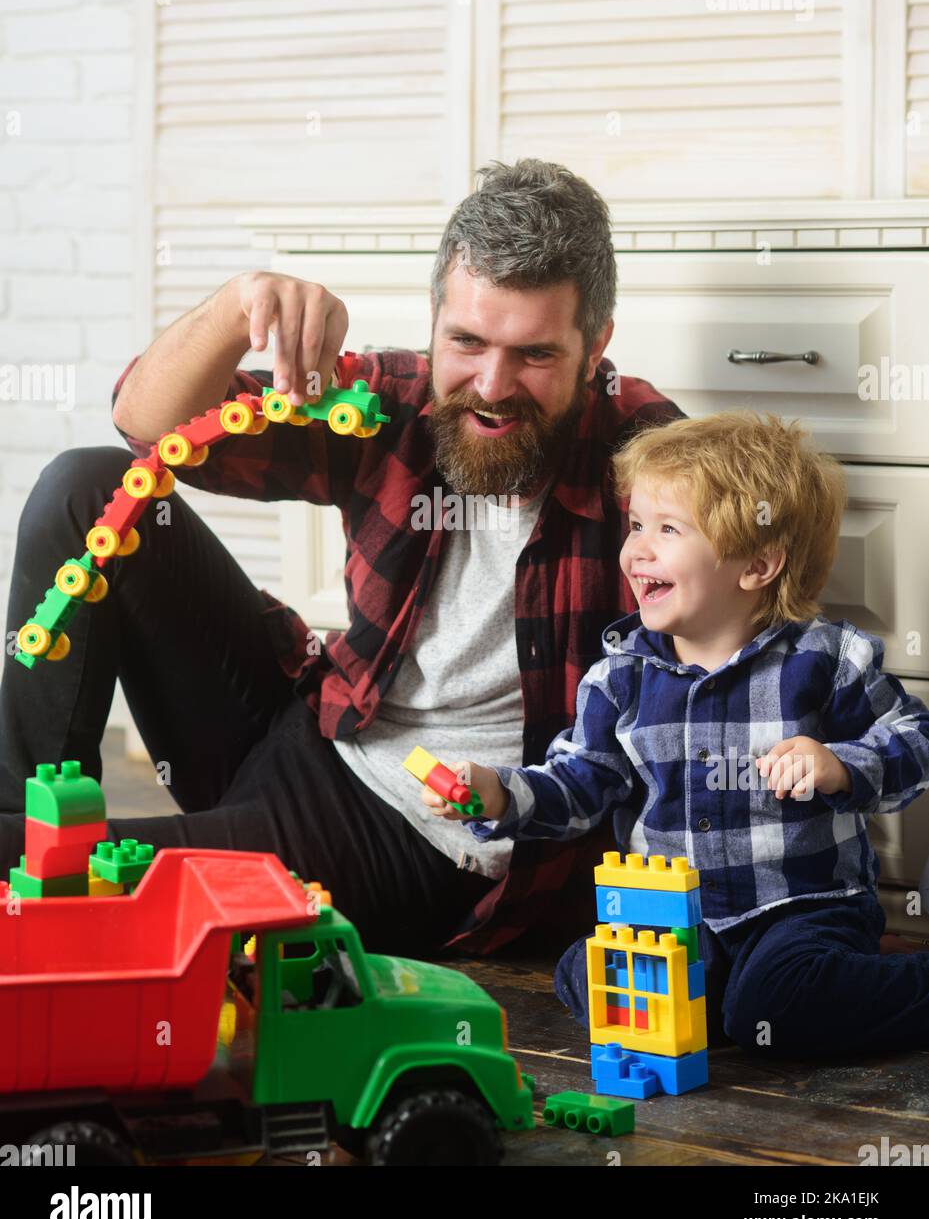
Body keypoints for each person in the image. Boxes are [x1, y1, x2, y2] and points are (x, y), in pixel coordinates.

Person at [0, 159, 683, 959]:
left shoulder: (648, 459)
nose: (491, 385)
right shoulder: (396, 400)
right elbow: (147, 422)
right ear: (435, 320)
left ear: (594, 342)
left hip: (419, 834)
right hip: (322, 728)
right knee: (90, 486)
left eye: (533, 354)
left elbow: (723, 666)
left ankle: (28, 881)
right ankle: (26, 821)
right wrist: (233, 308)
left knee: (119, 884)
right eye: (466, 341)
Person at [422, 410, 929, 1054]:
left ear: (758, 565)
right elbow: (579, 784)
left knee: (777, 1002)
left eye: (667, 529)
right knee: (589, 975)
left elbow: (915, 738)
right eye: (635, 525)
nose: (637, 549)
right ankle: (722, 996)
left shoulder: (826, 661)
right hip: (674, 918)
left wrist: (840, 764)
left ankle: (782, 998)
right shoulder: (622, 678)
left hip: (801, 906)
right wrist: (497, 794)